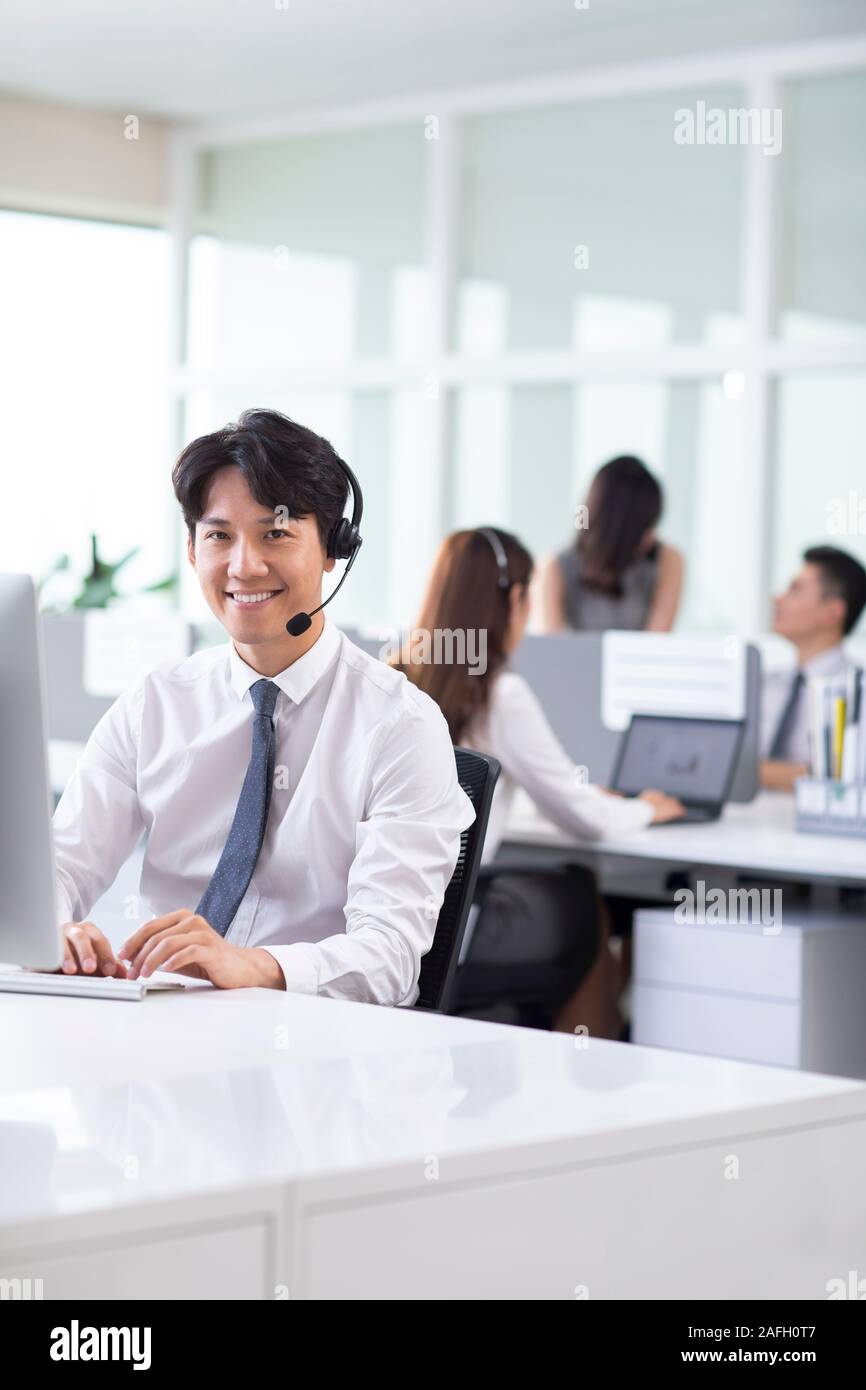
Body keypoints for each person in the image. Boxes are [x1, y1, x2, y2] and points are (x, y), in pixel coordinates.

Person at [52, 409, 474, 999]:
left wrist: (254, 966)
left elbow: (390, 957)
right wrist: (56, 930)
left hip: (313, 1039)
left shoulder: (399, 724)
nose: (244, 566)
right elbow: (60, 864)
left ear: (332, 549)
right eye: (219, 536)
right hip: (162, 1020)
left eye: (275, 533)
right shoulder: (155, 704)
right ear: (192, 550)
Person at [396, 526, 683, 1038]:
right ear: (515, 601)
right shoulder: (499, 695)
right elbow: (583, 818)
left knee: (567, 900)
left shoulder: (393, 677)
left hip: (389, 925)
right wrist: (647, 808)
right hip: (446, 935)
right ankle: (598, 1055)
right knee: (581, 901)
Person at [760, 545, 866, 792]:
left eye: (794, 590)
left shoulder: (858, 692)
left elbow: (847, 779)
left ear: (831, 612)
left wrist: (753, 770)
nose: (778, 599)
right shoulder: (764, 684)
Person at [538, 455, 683, 633]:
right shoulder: (557, 567)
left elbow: (654, 643)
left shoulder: (667, 561)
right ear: (617, 527)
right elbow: (553, 644)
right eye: (643, 527)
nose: (650, 537)